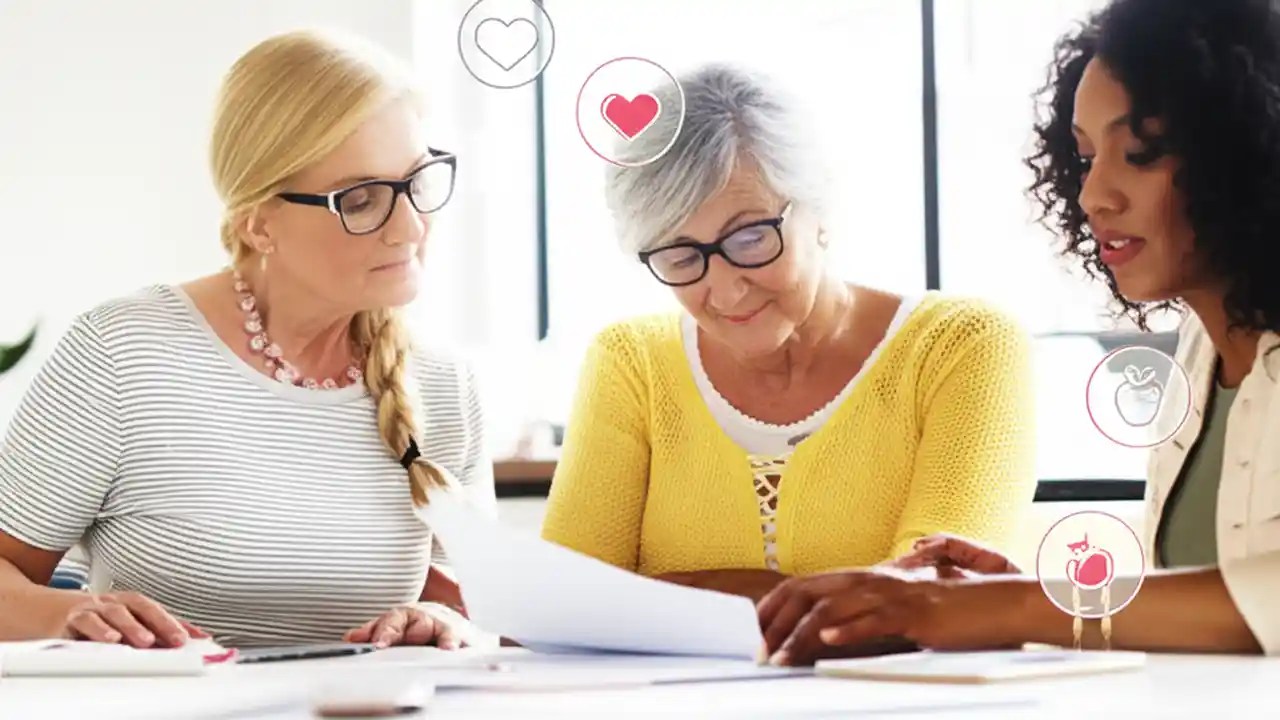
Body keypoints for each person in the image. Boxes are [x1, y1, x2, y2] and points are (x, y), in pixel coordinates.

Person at [759, 0, 1280, 665]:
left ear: (1248, 152)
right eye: (1085, 158)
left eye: (1140, 153)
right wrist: (1005, 598)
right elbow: (1208, 616)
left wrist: (1009, 605)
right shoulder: (1200, 353)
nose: (1094, 195)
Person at [0, 29, 496, 649]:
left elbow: (486, 611)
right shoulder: (122, 354)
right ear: (260, 225)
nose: (411, 226)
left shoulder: (443, 385)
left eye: (418, 181)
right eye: (362, 200)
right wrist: (64, 617)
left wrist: (453, 625)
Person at [540, 63, 1038, 602]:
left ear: (816, 210)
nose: (726, 292)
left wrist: (662, 596)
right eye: (681, 256)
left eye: (750, 238)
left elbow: (935, 602)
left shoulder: (962, 346)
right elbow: (564, 605)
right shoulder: (630, 362)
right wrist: (827, 594)